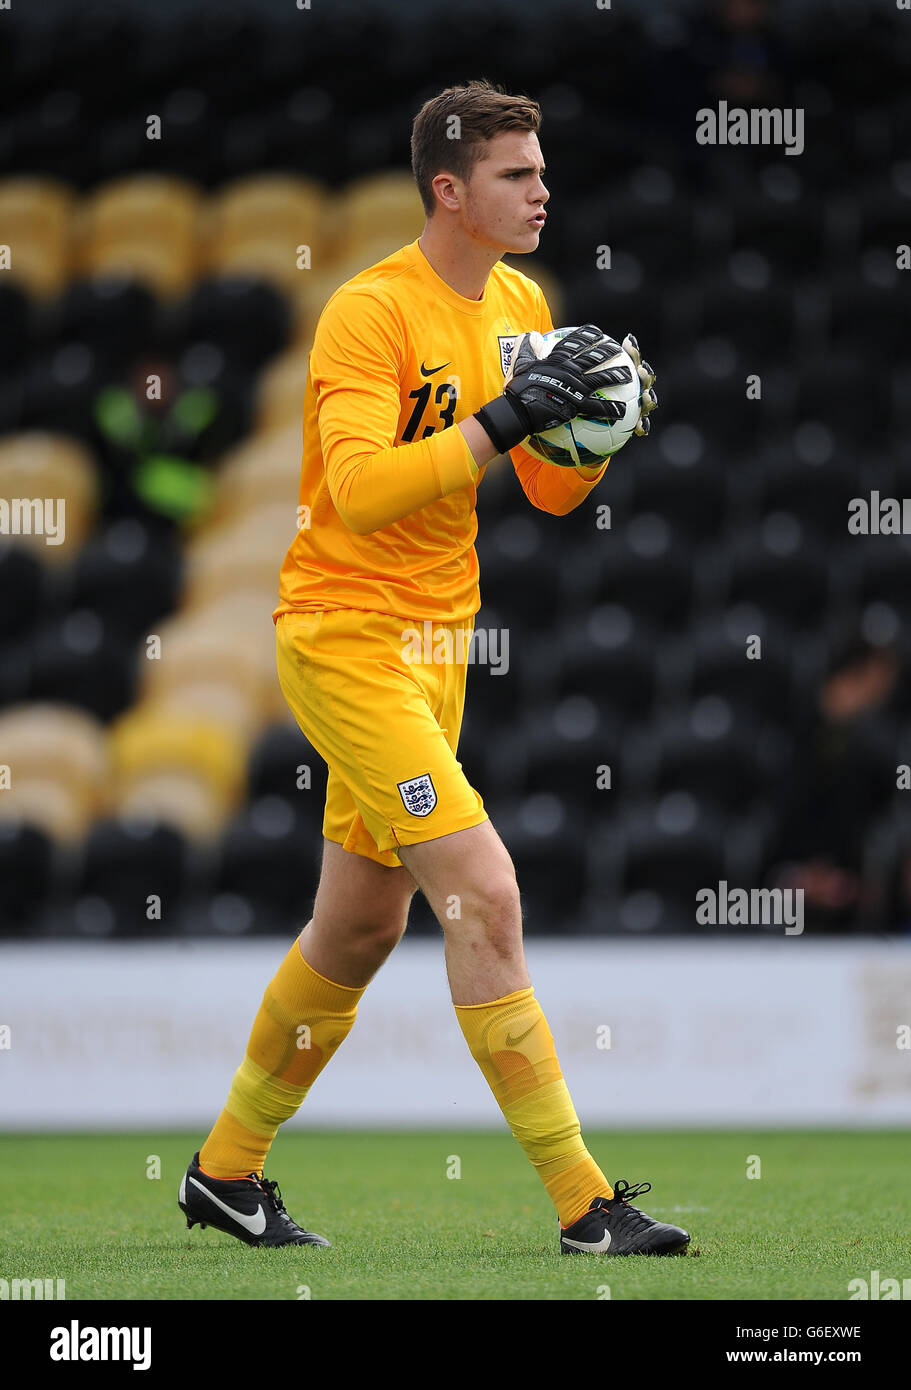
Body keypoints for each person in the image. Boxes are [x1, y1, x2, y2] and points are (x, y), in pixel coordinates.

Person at [178, 79, 684, 1258]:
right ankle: (583, 1205)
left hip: (435, 645)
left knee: (355, 931)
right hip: (344, 634)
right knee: (485, 892)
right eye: (516, 173)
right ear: (448, 190)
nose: (541, 189)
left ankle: (222, 1171)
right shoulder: (368, 311)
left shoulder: (522, 299)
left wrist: (603, 428)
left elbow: (551, 493)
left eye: (542, 169)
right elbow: (355, 492)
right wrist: (504, 419)